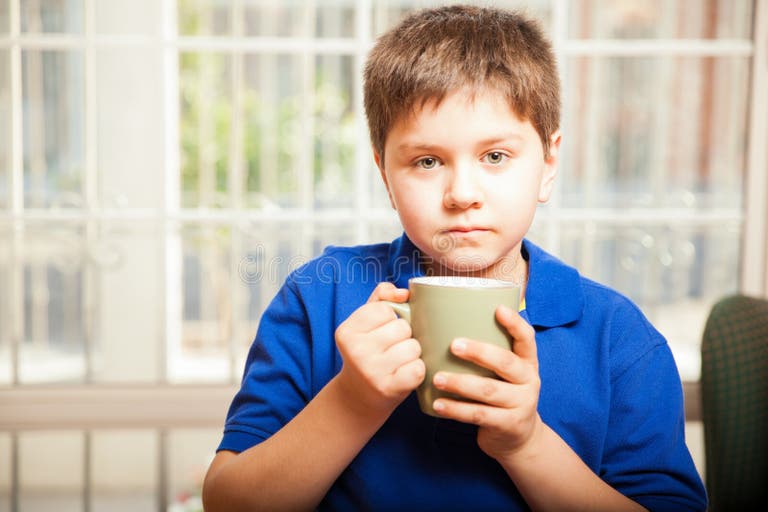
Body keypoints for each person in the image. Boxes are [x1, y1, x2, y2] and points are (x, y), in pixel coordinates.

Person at [202, 5, 707, 511]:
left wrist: (527, 444)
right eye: (427, 161)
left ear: (548, 164)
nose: (462, 194)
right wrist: (352, 402)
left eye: (495, 156)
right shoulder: (317, 300)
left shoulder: (617, 339)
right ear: (385, 175)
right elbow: (228, 502)